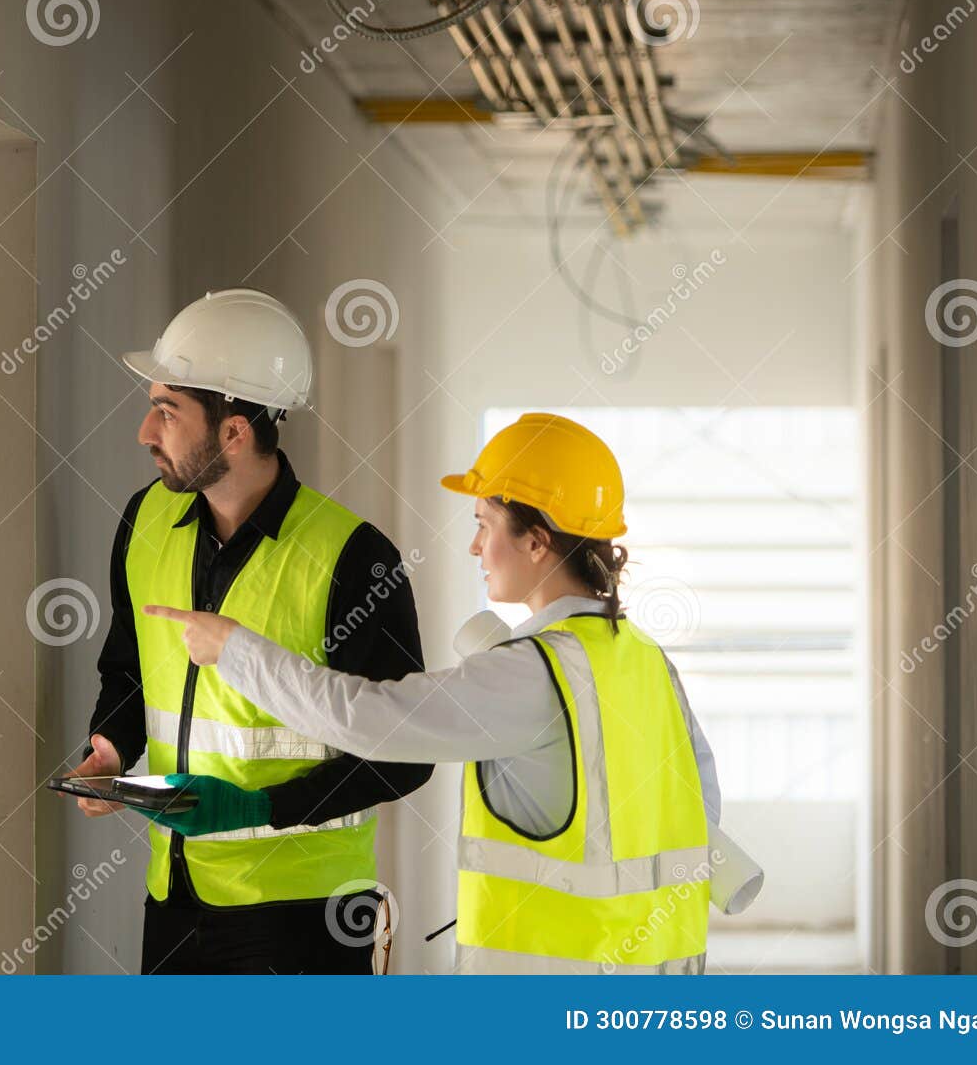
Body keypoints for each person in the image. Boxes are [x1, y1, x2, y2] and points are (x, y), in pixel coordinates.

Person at [141, 412, 723, 974]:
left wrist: (239, 651)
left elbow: (370, 719)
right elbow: (701, 816)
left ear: (537, 541)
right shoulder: (647, 661)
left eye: (484, 525)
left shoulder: (534, 673)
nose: (474, 547)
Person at [68, 288, 432, 974]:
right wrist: (112, 748)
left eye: (167, 412)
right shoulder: (145, 522)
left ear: (233, 431)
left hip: (305, 912)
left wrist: (261, 807)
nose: (146, 433)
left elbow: (407, 753)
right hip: (176, 898)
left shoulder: (354, 559)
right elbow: (128, 669)